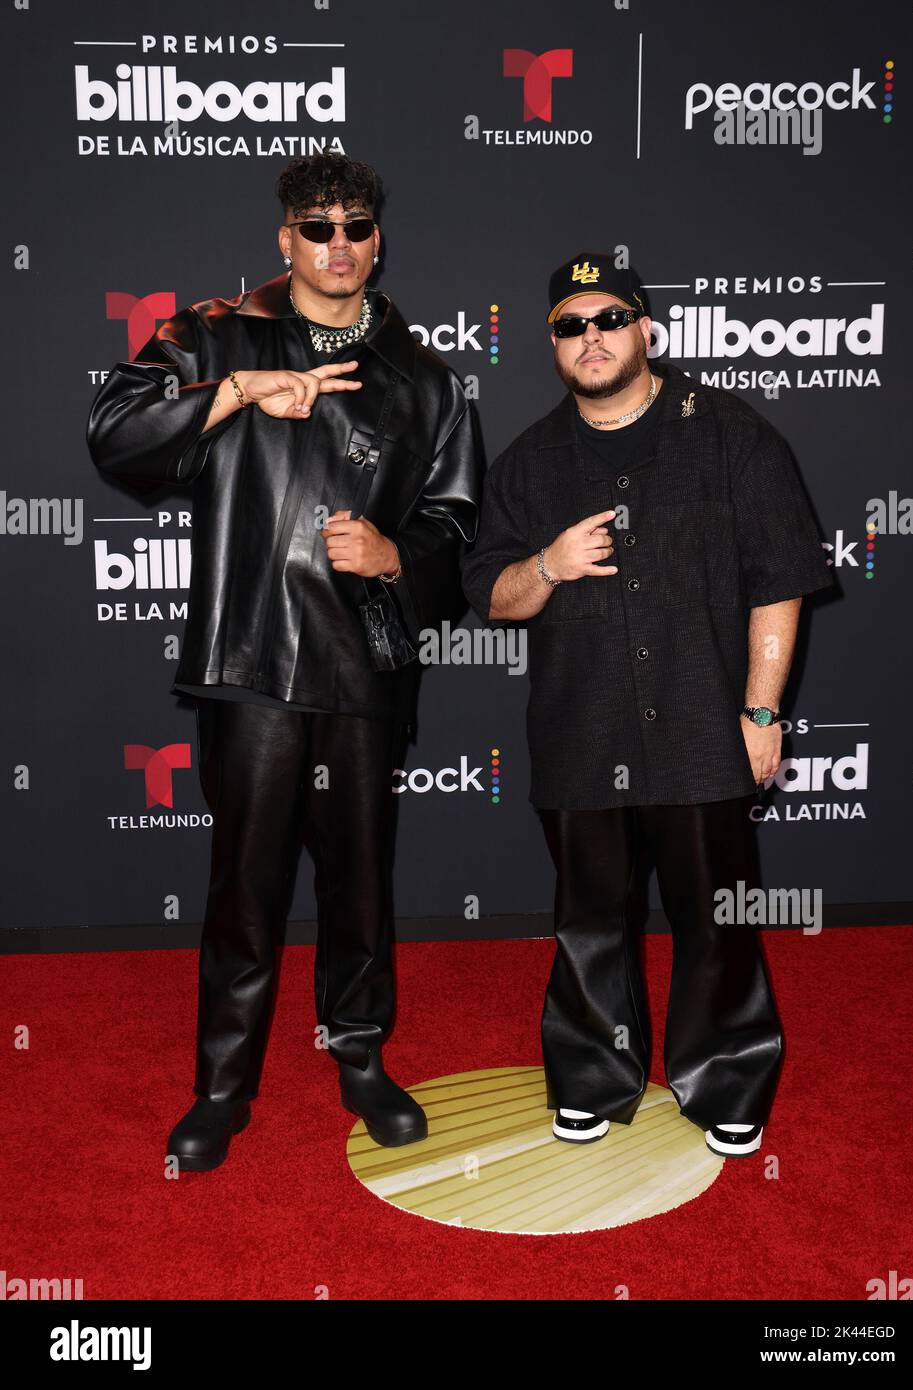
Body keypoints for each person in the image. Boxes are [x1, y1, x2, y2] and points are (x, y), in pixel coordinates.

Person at [87, 153, 484, 1170]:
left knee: (361, 882)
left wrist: (398, 554)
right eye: (318, 228)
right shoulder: (211, 332)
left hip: (363, 666)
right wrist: (235, 392)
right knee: (244, 884)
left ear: (378, 237)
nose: (338, 245)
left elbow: (456, 524)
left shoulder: (426, 377)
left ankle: (359, 1059)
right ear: (285, 239)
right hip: (251, 657)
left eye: (355, 226)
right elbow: (115, 432)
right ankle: (222, 1086)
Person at [461, 251, 834, 1158]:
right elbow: (489, 596)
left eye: (608, 319)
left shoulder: (730, 434)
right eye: (568, 326)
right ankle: (593, 1076)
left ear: (645, 330)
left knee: (718, 921)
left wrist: (758, 711)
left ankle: (727, 1079)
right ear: (551, 346)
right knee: (589, 922)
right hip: (580, 729)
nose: (590, 338)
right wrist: (545, 565)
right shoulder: (529, 462)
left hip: (704, 724)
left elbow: (778, 580)